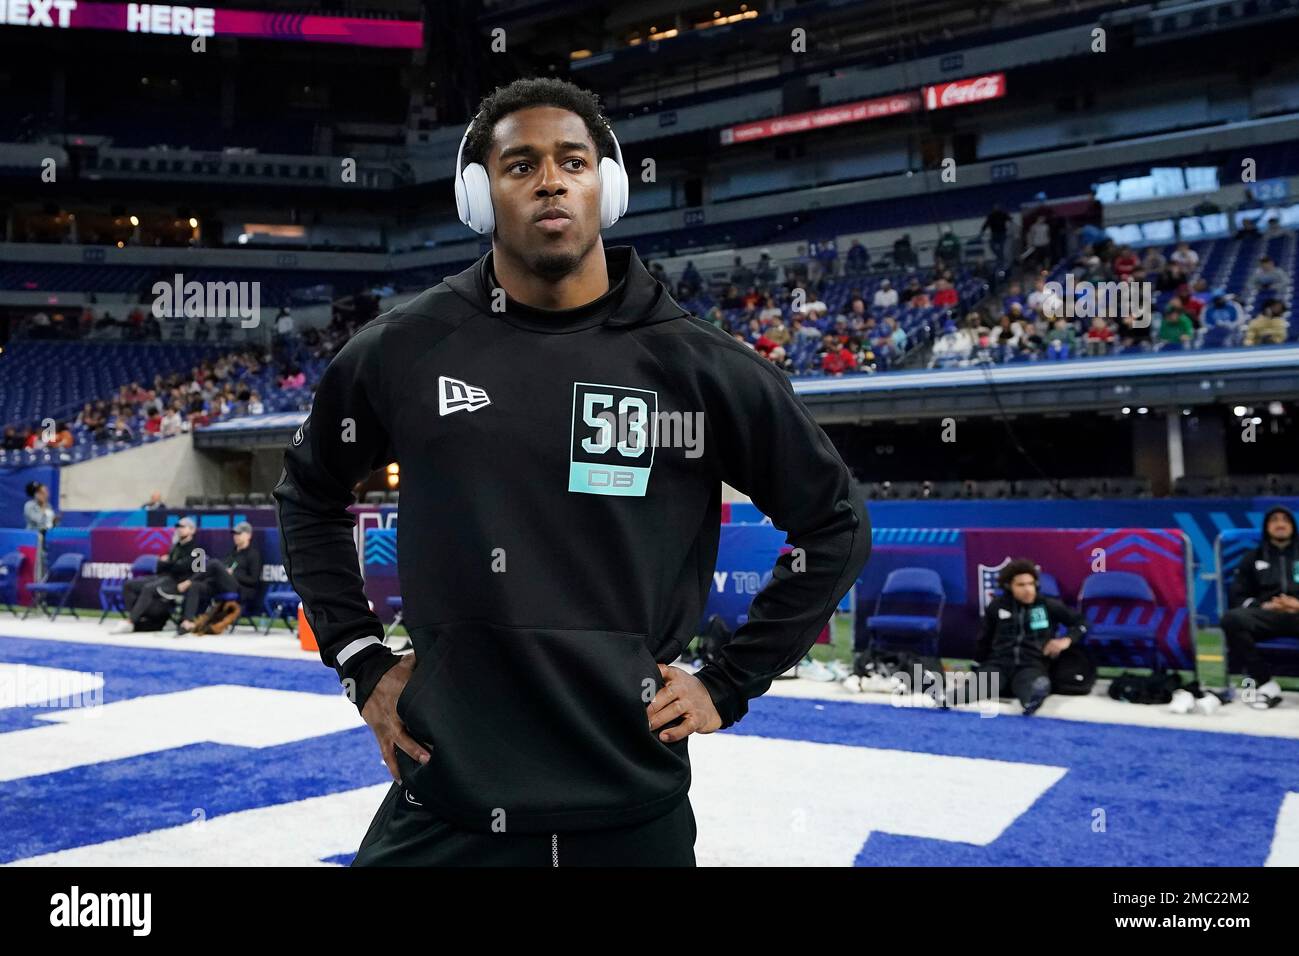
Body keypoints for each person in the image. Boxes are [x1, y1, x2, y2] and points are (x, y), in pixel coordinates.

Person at [273, 77, 872, 868]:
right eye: (520, 165)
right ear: (479, 197)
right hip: (445, 800)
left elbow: (835, 523)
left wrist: (729, 682)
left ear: (609, 186)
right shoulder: (403, 350)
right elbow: (307, 492)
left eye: (574, 161)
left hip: (632, 814)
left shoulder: (699, 365)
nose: (551, 180)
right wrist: (360, 659)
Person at [962, 559, 1089, 714]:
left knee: (1030, 688)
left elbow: (1082, 623)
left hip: (1031, 664)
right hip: (998, 664)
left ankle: (1033, 699)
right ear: (1009, 586)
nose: (1028, 589)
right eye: (1021, 585)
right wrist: (977, 665)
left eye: (1031, 584)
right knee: (976, 689)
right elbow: (984, 639)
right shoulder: (997, 606)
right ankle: (947, 698)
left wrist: (1066, 640)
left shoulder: (1047, 605)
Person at [1221, 506, 1299, 709]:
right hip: (1267, 616)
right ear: (1266, 527)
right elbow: (1237, 596)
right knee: (1231, 619)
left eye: (1285, 520)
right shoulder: (1252, 557)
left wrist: (1297, 605)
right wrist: (1265, 606)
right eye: (1274, 520)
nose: (1280, 524)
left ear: (1293, 526)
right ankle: (1265, 682)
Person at [112, 518, 203, 633]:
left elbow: (194, 571)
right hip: (164, 577)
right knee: (129, 585)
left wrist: (169, 564)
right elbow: (161, 566)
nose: (179, 529)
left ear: (192, 530)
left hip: (178, 582)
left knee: (149, 588)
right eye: (178, 527)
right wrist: (169, 564)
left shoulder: (198, 550)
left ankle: (130, 621)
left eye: (183, 527)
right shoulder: (175, 547)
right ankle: (138, 617)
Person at [170, 521, 264, 633]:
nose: (236, 536)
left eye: (239, 534)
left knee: (214, 563)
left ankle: (189, 581)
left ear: (248, 535)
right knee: (196, 586)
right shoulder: (231, 553)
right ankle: (188, 621)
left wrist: (233, 574)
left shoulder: (253, 555)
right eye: (235, 534)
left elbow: (253, 580)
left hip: (239, 587)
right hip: (220, 585)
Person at [23, 481, 58, 580]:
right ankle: (34, 589)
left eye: (45, 491)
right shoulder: (29, 506)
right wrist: (42, 506)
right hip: (33, 540)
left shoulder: (49, 506)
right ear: (35, 494)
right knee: (35, 566)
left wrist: (55, 521)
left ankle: (43, 590)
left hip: (46, 541)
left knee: (46, 566)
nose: (45, 493)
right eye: (41, 492)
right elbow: (39, 521)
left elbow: (50, 524)